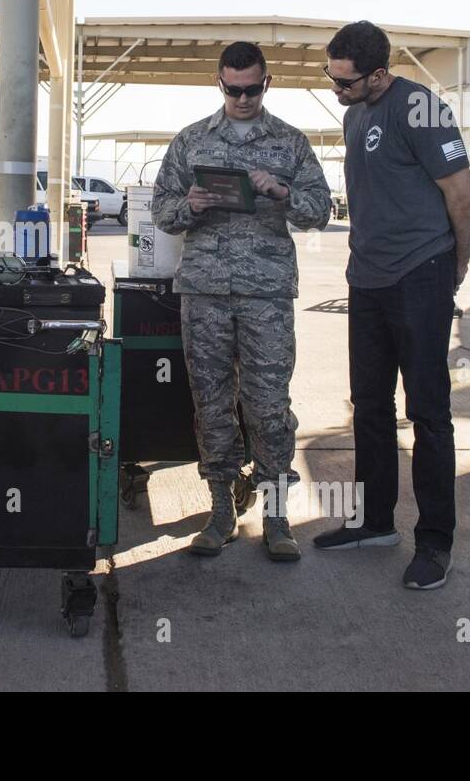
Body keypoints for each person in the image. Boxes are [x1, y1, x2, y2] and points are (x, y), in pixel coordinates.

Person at [312, 20, 470, 591]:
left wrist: (453, 269)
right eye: (331, 80)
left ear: (379, 73)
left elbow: (463, 194)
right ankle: (374, 522)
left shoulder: (422, 110)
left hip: (421, 274)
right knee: (370, 406)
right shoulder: (356, 113)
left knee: (428, 412)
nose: (338, 92)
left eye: (346, 83)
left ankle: (435, 541)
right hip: (368, 280)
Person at [152, 41, 331, 560]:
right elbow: (162, 211)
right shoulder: (190, 142)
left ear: (267, 83)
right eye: (235, 90)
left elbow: (321, 210)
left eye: (253, 88)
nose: (244, 97)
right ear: (220, 83)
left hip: (267, 295)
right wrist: (189, 204)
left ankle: (276, 517)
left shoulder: (290, 143)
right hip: (205, 291)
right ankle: (222, 510)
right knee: (211, 404)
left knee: (269, 407)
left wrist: (282, 192)